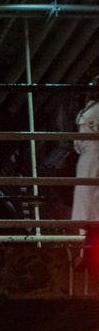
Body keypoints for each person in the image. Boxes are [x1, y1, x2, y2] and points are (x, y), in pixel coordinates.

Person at [72, 73, 99, 223]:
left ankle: (90, 231)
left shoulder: (91, 109)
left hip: (92, 155)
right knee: (88, 196)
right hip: (89, 155)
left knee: (91, 197)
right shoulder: (91, 108)